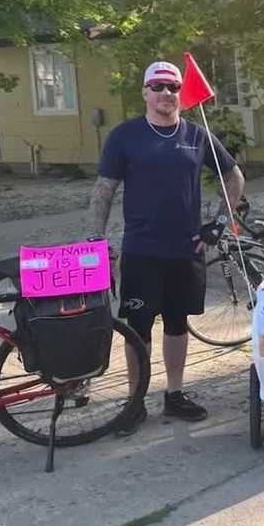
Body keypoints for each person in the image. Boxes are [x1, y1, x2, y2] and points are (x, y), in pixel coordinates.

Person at [90, 60, 245, 436]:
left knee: (177, 325)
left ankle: (174, 394)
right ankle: (136, 400)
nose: (166, 94)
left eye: (173, 87)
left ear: (181, 94)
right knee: (138, 327)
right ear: (144, 92)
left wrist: (219, 226)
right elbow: (104, 190)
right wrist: (96, 240)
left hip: (187, 249)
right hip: (142, 250)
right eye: (158, 86)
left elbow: (234, 176)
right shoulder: (125, 136)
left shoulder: (196, 134)